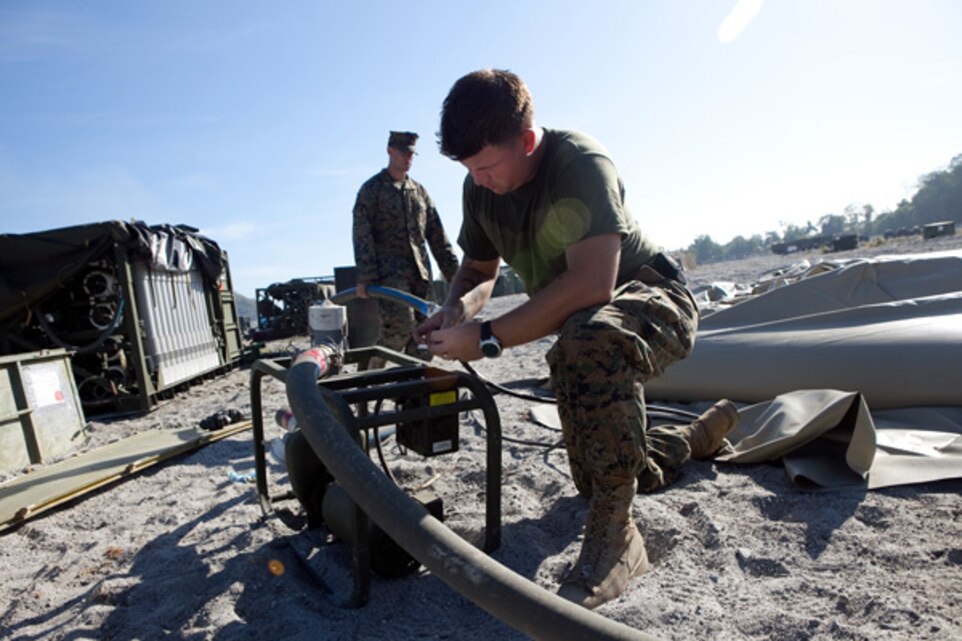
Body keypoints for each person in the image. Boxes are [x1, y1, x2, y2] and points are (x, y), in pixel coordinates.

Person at [415, 69, 740, 609]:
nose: (480, 179)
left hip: (654, 299)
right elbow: (476, 271)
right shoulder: (481, 186)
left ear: (525, 140)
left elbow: (593, 284)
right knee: (598, 475)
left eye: (487, 166)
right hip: (583, 325)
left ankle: (620, 544)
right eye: (469, 170)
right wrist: (453, 311)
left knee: (589, 340)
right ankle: (693, 439)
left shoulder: (580, 162)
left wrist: (489, 337)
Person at [352, 131, 460, 365]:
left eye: (412, 154)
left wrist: (454, 273)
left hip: (420, 274)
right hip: (389, 276)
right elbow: (362, 233)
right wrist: (366, 275)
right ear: (390, 151)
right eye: (403, 152)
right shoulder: (372, 190)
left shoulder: (419, 193)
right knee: (399, 329)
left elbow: (437, 234)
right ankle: (368, 370)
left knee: (425, 337)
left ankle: (411, 391)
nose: (408, 158)